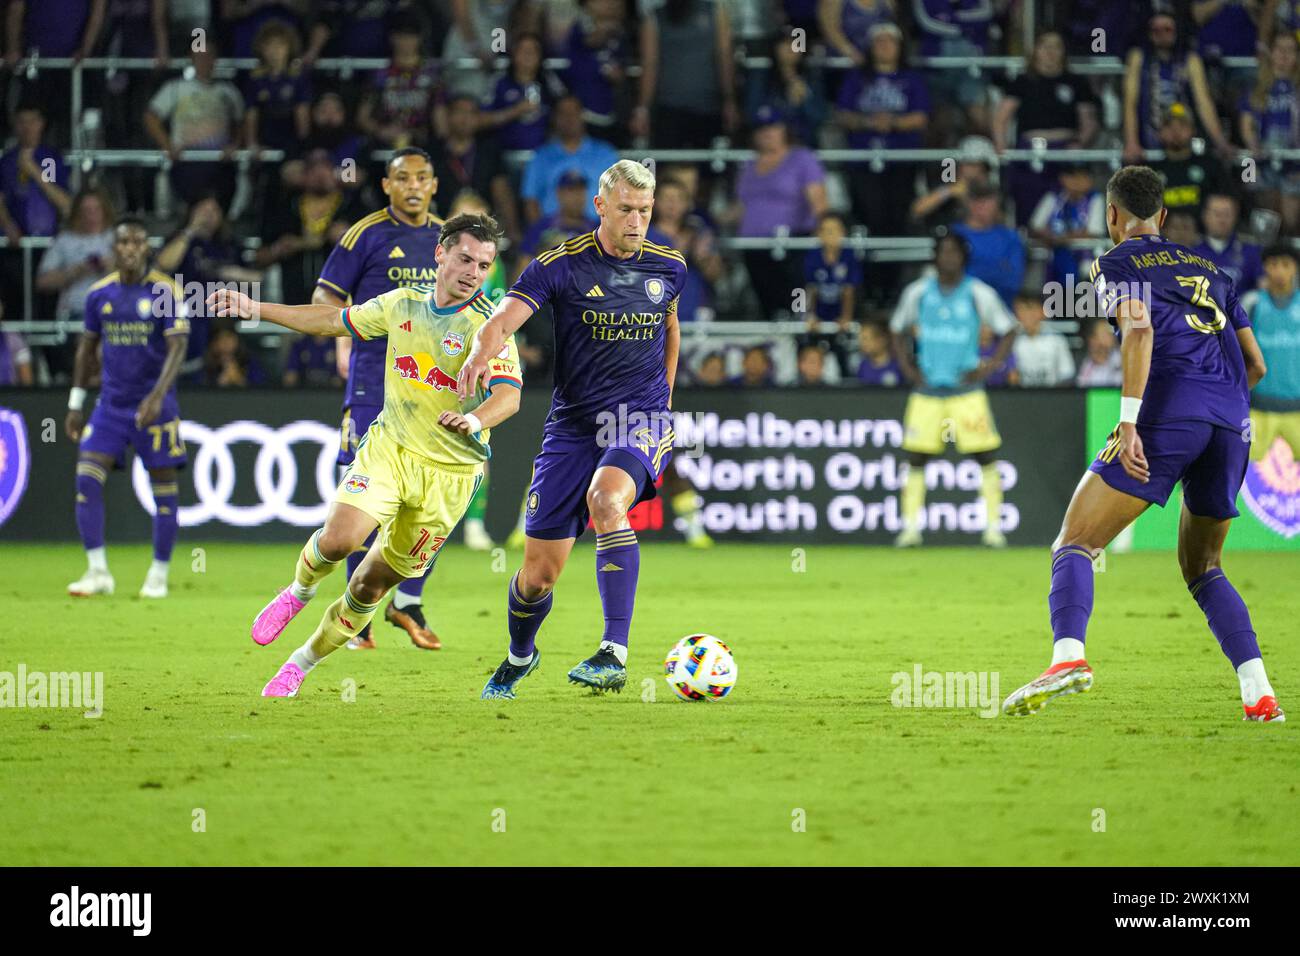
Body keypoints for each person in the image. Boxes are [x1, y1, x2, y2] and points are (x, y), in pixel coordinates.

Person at [1000, 165, 1282, 723]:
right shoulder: (1214, 271)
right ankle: (1261, 695)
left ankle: (1068, 659)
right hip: (1231, 424)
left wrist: (1131, 421)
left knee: (1075, 542)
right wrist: (1215, 412)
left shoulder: (1116, 261)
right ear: (1164, 216)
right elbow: (1256, 364)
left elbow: (1140, 328)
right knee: (1204, 568)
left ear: (1111, 216)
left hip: (1167, 415)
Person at [208, 213, 522, 699]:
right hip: (390, 450)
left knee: (369, 591)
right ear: (439, 254)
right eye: (465, 259)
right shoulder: (400, 305)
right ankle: (299, 592)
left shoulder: (492, 326)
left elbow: (510, 397)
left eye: (484, 265)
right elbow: (331, 321)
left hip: (451, 477)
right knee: (338, 541)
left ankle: (300, 663)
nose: (473, 273)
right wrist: (255, 308)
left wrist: (476, 420)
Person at [457, 160, 685, 699]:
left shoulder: (670, 266)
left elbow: (671, 326)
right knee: (538, 576)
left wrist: (666, 401)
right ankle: (520, 654)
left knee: (607, 501)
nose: (637, 221)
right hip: (574, 424)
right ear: (600, 207)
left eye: (645, 211)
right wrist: (478, 355)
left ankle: (613, 652)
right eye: (626, 209)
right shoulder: (559, 265)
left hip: (639, 418)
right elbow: (502, 320)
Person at [315, 147, 447, 650]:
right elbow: (326, 298)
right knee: (363, 490)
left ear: (434, 185)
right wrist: (344, 340)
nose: (413, 186)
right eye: (402, 178)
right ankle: (359, 616)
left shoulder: (447, 239)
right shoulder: (364, 234)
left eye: (422, 177)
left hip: (432, 386)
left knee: (430, 494)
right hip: (374, 381)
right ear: (387, 186)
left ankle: (408, 601)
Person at [64, 218, 189, 600]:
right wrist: (75, 401)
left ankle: (159, 573)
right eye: (123, 242)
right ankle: (98, 571)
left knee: (163, 490)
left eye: (137, 241)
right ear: (113, 249)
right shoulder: (98, 294)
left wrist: (156, 396)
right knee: (86, 479)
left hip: (156, 406)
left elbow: (178, 346)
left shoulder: (167, 291)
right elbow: (86, 348)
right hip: (111, 405)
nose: (130, 248)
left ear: (146, 248)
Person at [889, 232, 1016, 548]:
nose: (948, 257)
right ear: (934, 256)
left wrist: (989, 365)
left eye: (953, 251)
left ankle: (992, 529)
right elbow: (895, 329)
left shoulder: (977, 293)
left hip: (966, 389)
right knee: (916, 457)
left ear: (963, 256)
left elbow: (1008, 328)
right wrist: (908, 368)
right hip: (928, 389)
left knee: (985, 455)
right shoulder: (918, 293)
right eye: (942, 251)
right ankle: (911, 529)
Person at [993, 30, 1100, 226]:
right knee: (1028, 207)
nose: (1050, 51)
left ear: (1063, 51)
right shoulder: (1022, 81)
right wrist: (1001, 146)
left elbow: (1089, 121)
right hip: (1030, 152)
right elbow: (1002, 117)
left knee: (1068, 207)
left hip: (1066, 151)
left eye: (1056, 46)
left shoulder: (1076, 83)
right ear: (1035, 50)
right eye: (1045, 45)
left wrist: (1079, 144)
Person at [729, 107, 828, 320]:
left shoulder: (802, 158)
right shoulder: (748, 164)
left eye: (773, 126)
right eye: (761, 128)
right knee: (768, 303)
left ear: (785, 129)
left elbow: (818, 202)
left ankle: (802, 328)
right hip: (754, 245)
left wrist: (823, 234)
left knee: (797, 296)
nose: (767, 133)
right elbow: (741, 206)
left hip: (794, 242)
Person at [834, 22, 927, 242]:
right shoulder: (857, 78)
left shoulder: (912, 78)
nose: (885, 46)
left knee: (898, 215)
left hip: (901, 159)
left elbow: (921, 117)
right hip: (863, 159)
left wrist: (892, 122)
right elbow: (842, 115)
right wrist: (868, 122)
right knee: (869, 215)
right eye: (879, 41)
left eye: (890, 41)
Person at [144, 43, 245, 209]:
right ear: (191, 60)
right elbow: (151, 116)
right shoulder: (175, 88)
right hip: (187, 161)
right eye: (199, 57)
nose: (204, 61)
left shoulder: (229, 91)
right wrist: (168, 145)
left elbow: (240, 120)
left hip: (220, 163)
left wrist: (235, 144)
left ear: (215, 60)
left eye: (208, 56)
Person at [1122, 11, 1229, 161]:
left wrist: (1220, 141)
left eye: (1167, 29)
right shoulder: (1138, 58)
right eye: (1156, 30)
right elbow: (1130, 103)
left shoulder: (1190, 60)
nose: (1161, 34)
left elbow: (1203, 102)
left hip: (1184, 136)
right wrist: (1131, 142)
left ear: (1176, 31)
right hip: (1148, 137)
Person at [520, 95, 619, 223]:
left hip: (597, 234)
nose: (569, 119)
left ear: (583, 116)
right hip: (553, 235)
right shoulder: (541, 157)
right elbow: (530, 201)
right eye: (563, 113)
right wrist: (541, 234)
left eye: (574, 112)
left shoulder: (606, 154)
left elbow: (620, 199)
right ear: (555, 118)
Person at [1242, 245, 1300, 461]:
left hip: (1298, 408)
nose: (1280, 271)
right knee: (1237, 463)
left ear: (1295, 268)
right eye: (1274, 265)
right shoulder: (1252, 303)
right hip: (1257, 408)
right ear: (1265, 267)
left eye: (1286, 265)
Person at [1240, 31, 1300, 234]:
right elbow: (1246, 125)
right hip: (1259, 159)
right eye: (1279, 49)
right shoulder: (1256, 87)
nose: (1284, 55)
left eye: (1290, 50)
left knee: (1290, 209)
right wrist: (1254, 148)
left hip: (1294, 160)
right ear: (1271, 53)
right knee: (1249, 180)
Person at [480, 32, 566, 151]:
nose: (528, 54)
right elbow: (481, 120)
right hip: (504, 153)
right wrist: (514, 111)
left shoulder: (550, 80)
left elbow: (567, 109)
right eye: (523, 50)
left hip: (543, 155)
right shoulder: (499, 81)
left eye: (533, 50)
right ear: (514, 55)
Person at [953, 182, 1025, 308]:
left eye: (987, 201)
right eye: (977, 200)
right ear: (969, 203)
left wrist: (972, 272)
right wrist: (997, 267)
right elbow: (950, 276)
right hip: (961, 307)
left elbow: (1013, 279)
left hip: (1001, 308)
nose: (982, 206)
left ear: (997, 204)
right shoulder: (953, 235)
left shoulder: (1011, 238)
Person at [1149, 103, 1227, 218]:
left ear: (1193, 130)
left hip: (1201, 234)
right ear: (1160, 132)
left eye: (1182, 125)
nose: (1176, 131)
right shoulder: (1149, 172)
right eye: (1169, 125)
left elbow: (1224, 205)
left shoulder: (1211, 166)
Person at [1194, 193, 1263, 295]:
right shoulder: (1190, 253)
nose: (1222, 220)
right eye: (1217, 214)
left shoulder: (1251, 252)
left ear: (1235, 217)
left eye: (1227, 214)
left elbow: (1264, 288)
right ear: (1205, 216)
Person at [1011, 292, 1075, 387]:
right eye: (1020, 309)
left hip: (1052, 396)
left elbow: (1067, 374)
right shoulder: (1012, 341)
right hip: (1022, 397)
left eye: (1030, 308)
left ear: (1042, 311)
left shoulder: (1057, 339)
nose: (1026, 315)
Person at [1075, 317, 1123, 388]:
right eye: (1106, 334)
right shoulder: (1082, 364)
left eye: (1110, 333)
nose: (1112, 336)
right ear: (1092, 338)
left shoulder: (1122, 362)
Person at [856, 321, 902, 386]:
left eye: (865, 339)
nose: (862, 343)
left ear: (882, 340)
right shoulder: (863, 366)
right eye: (860, 339)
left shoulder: (899, 366)